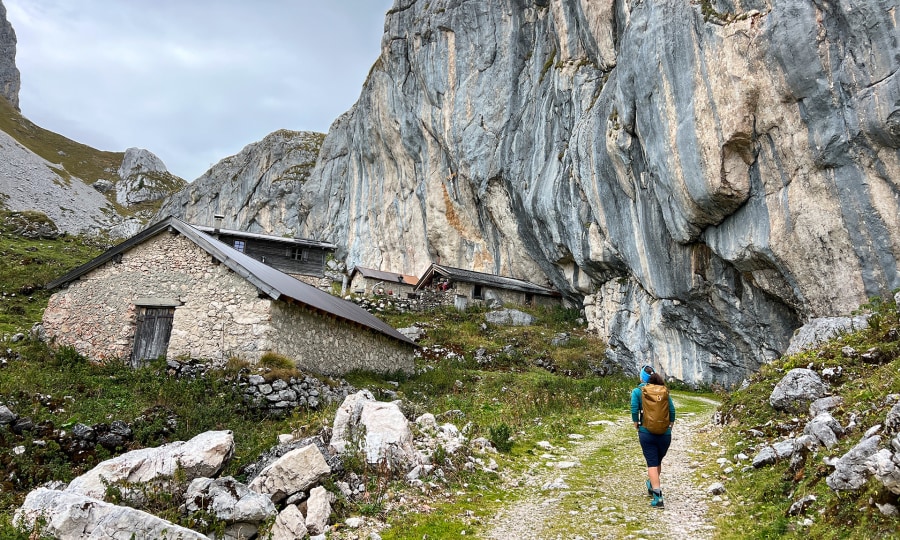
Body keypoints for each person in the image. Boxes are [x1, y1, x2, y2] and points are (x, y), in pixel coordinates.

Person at [630, 365, 675, 508]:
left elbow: (634, 408)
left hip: (646, 432)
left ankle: (657, 496)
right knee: (658, 461)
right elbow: (672, 410)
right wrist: (670, 426)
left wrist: (636, 423)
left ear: (642, 377)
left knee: (652, 463)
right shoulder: (664, 391)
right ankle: (652, 483)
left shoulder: (638, 391)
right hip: (665, 434)